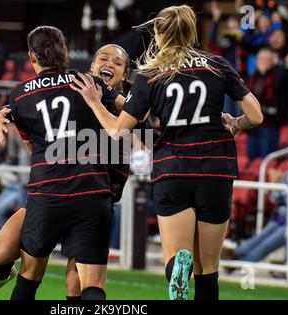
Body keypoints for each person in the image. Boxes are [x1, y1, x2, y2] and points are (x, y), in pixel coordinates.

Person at [71, 5, 263, 300]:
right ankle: (189, 273)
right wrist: (236, 123)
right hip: (216, 167)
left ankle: (177, 267)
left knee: (177, 255)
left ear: (159, 34)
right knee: (209, 269)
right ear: (191, 33)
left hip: (173, 168)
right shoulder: (218, 65)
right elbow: (256, 116)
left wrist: (96, 102)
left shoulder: (151, 76)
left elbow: (118, 130)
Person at [0, 26, 126, 301]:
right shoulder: (91, 85)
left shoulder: (19, 95)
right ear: (65, 51)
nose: (109, 65)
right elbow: (138, 117)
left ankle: (0, 273)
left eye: (117, 62)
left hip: (47, 195)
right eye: (104, 59)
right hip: (89, 195)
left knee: (35, 278)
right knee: (90, 287)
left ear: (31, 56)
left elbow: (29, 143)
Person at [231, 142, 288, 265]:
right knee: (264, 235)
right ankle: (237, 254)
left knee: (270, 241)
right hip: (284, 216)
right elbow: (277, 199)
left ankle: (242, 260)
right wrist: (275, 186)